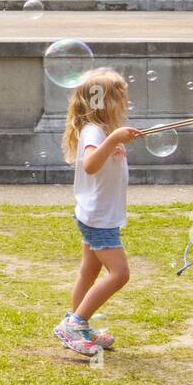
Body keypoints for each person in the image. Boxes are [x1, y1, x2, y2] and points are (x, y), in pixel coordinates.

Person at [54, 68, 144, 358]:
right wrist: (113, 139)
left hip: (95, 213)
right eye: (120, 98)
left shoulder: (100, 131)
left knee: (89, 271)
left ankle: (78, 322)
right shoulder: (95, 131)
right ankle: (75, 325)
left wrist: (114, 140)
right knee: (119, 274)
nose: (124, 104)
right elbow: (90, 164)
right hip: (99, 218)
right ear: (104, 102)